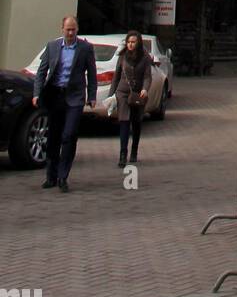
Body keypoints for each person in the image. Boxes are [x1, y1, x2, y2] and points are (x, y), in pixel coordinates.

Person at [32, 15, 97, 193]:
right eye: (67, 29)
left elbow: (92, 73)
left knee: (68, 136)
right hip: (55, 96)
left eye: (73, 29)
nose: (70, 33)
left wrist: (92, 96)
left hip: (74, 98)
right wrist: (37, 94)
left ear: (77, 29)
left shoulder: (85, 48)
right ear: (62, 29)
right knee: (53, 137)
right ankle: (50, 176)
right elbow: (41, 72)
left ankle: (63, 176)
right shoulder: (52, 46)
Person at [110, 31, 153, 167]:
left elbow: (147, 76)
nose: (130, 44)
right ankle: (123, 154)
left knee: (136, 122)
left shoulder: (144, 57)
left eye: (133, 42)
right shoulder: (122, 56)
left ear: (138, 43)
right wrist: (111, 94)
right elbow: (116, 76)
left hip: (138, 93)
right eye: (128, 42)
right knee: (124, 121)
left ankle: (134, 150)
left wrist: (145, 89)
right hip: (123, 92)